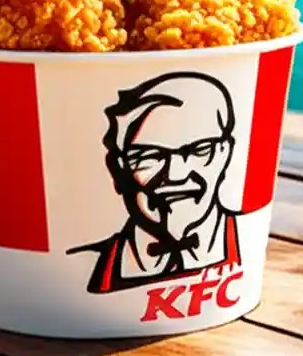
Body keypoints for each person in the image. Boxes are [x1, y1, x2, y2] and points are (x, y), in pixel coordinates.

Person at [69, 72, 241, 294]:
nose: (176, 175)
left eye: (200, 150)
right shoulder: (77, 269)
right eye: (149, 156)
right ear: (118, 169)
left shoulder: (248, 240)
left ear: (225, 154)